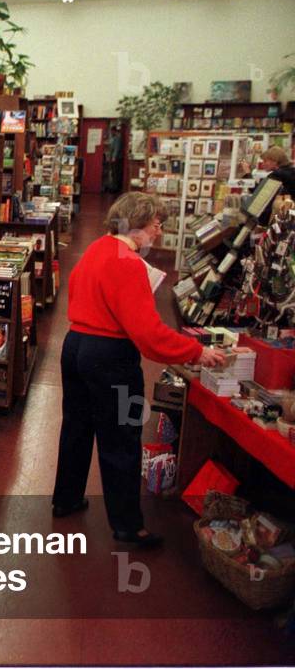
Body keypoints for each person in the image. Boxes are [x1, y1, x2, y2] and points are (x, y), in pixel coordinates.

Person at [52, 192, 227, 548]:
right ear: (137, 223)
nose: (159, 233)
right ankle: (128, 526)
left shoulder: (98, 249)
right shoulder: (129, 263)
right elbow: (148, 334)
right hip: (110, 356)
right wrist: (197, 352)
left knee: (77, 429)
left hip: (76, 347)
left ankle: (66, 499)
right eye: (156, 225)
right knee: (122, 439)